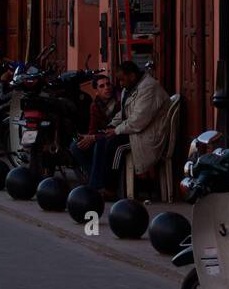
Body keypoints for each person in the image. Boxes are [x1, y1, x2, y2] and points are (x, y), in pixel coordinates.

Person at [85, 60, 169, 193]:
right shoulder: (129, 88)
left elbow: (139, 120)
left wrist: (116, 131)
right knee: (102, 140)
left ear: (132, 76)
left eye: (122, 80)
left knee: (114, 145)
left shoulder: (148, 88)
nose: (120, 84)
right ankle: (96, 186)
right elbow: (123, 113)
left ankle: (110, 188)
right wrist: (112, 125)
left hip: (148, 134)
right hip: (135, 131)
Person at [71, 72, 117, 178]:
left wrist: (94, 137)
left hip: (115, 135)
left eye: (108, 84)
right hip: (101, 136)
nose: (107, 88)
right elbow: (92, 129)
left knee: (99, 143)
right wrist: (88, 138)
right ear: (96, 91)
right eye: (102, 86)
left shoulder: (119, 100)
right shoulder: (95, 105)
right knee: (75, 146)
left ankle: (95, 182)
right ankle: (93, 176)